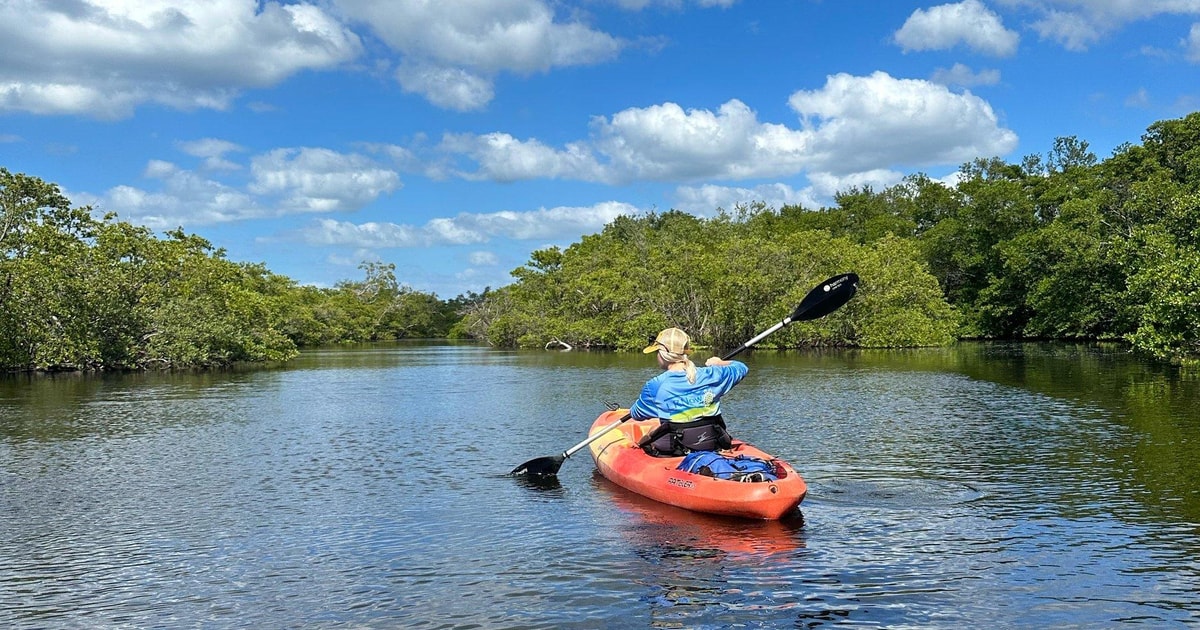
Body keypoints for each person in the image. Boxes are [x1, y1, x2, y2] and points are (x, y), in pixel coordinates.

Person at [630, 327, 748, 456]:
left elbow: (637, 414)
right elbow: (741, 367)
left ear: (662, 354)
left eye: (657, 351)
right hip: (714, 444)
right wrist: (720, 363)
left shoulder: (655, 385)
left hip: (676, 450)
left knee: (652, 431)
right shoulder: (713, 374)